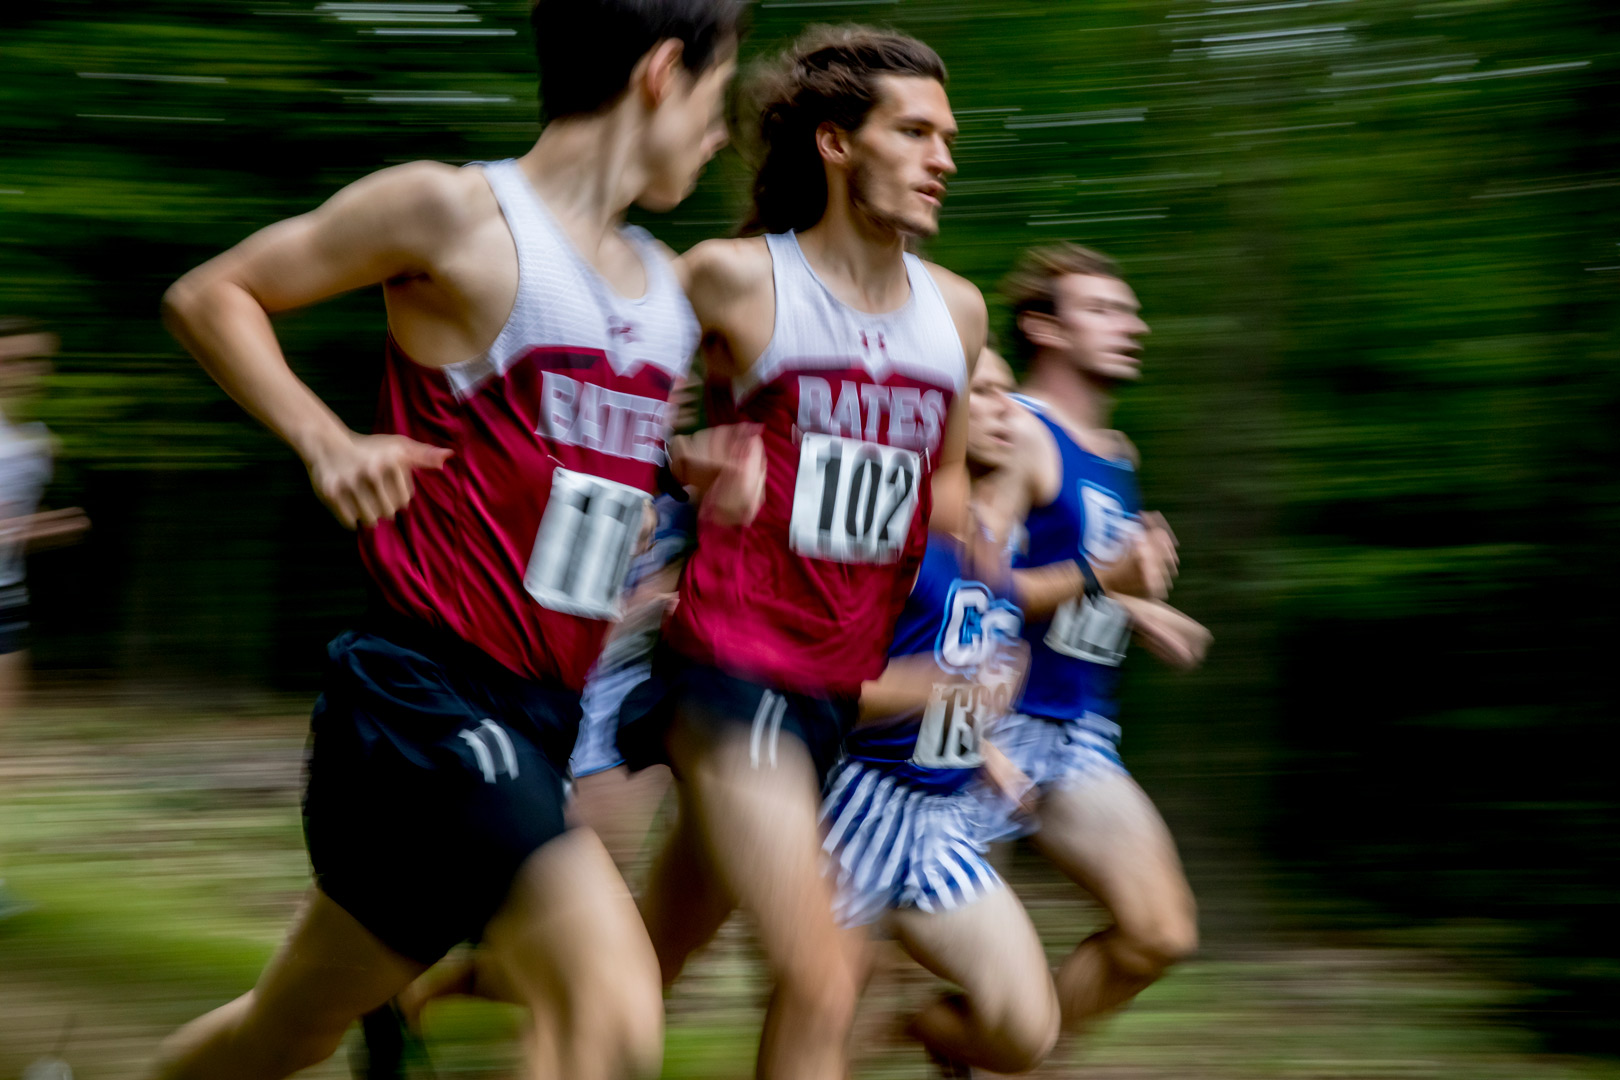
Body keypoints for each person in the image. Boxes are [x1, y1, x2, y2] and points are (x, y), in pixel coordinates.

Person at [151, 3, 744, 1078]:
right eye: (718, 100)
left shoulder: (664, 295)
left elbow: (574, 478)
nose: (722, 133)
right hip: (422, 702)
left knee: (283, 1031)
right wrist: (323, 437)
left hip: (540, 717)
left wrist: (680, 484)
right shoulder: (456, 213)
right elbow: (211, 294)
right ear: (663, 71)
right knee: (610, 1016)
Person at [618, 25, 987, 1080]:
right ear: (836, 143)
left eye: (947, 138)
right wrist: (682, 463)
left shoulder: (955, 313)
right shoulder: (734, 280)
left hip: (832, 687)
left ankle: (418, 995)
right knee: (827, 975)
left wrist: (983, 550)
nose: (943, 159)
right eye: (914, 132)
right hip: (728, 670)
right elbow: (615, 405)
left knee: (641, 965)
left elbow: (945, 479)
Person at [977, 245, 1212, 1043]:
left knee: (1160, 933)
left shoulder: (1118, 457)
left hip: (1079, 737)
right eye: (1104, 310)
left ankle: (965, 1047)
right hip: (982, 730)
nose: (1132, 325)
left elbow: (1090, 582)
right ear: (1044, 327)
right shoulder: (1020, 436)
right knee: (940, 968)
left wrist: (1140, 612)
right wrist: (1116, 586)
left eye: (1131, 309)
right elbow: (973, 585)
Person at [820, 520, 1059, 1076]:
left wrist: (984, 750)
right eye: (983, 424)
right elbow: (820, 685)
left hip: (939, 827)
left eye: (1012, 422)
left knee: (1027, 1032)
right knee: (824, 1023)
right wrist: (932, 690)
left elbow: (963, 672)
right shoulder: (898, 531)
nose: (1000, 426)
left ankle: (922, 1029)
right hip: (852, 806)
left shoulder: (1004, 549)